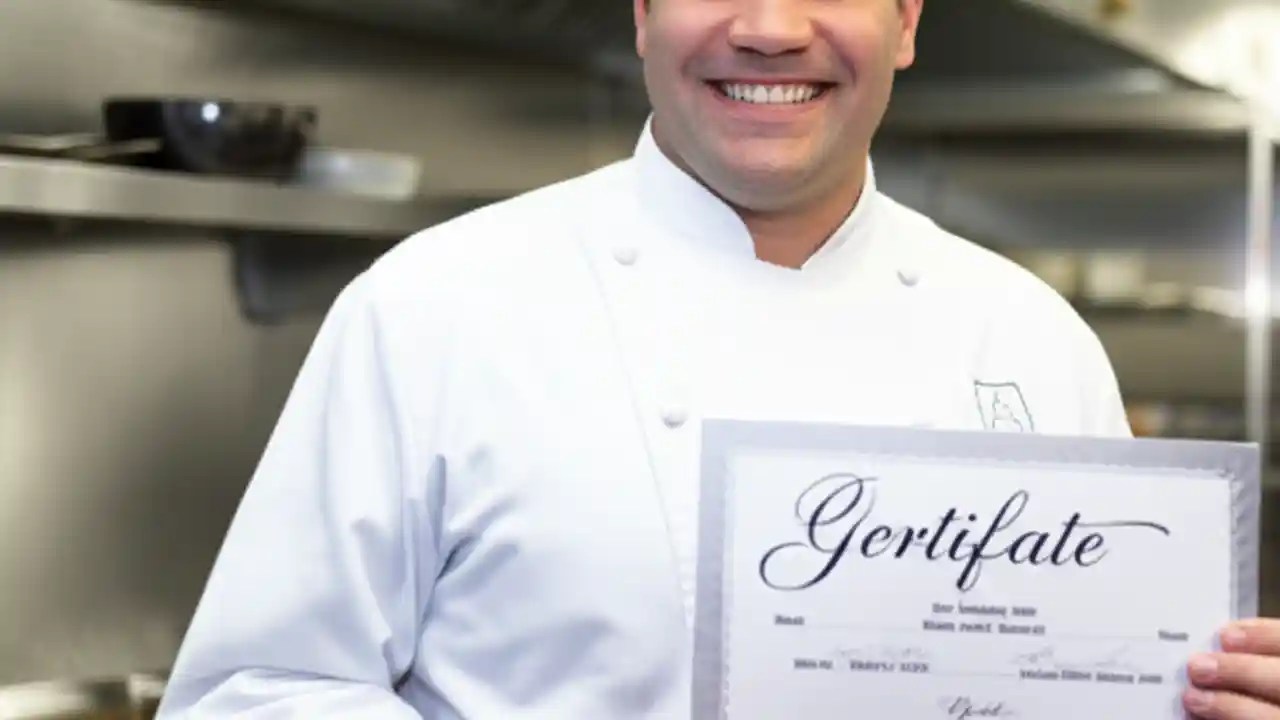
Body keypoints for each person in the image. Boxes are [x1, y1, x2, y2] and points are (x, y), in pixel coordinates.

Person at [157, 0, 1280, 717]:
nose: (769, 28)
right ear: (641, 11)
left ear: (904, 18)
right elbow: (250, 697)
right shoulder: (433, 306)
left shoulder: (1032, 340)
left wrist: (1214, 697)